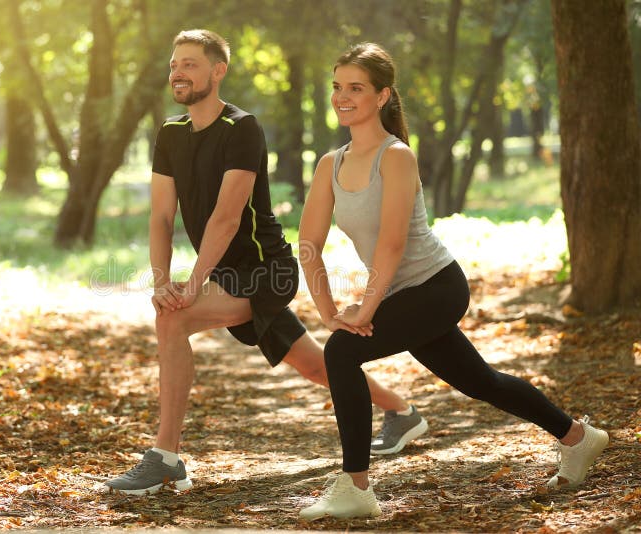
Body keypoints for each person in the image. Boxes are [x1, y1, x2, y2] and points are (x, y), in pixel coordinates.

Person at [103, 30, 429, 496]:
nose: (178, 72)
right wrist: (161, 280)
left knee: (174, 319)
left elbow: (227, 216)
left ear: (218, 71)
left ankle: (165, 458)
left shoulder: (243, 128)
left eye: (191, 64)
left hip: (264, 270)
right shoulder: (171, 133)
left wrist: (190, 286)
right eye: (175, 64)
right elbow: (160, 214)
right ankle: (402, 411)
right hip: (222, 271)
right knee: (315, 366)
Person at [297, 42, 610, 520]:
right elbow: (308, 244)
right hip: (400, 293)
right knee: (480, 381)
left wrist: (362, 309)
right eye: (337, 86)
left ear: (382, 96)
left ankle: (355, 486)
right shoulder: (330, 165)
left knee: (342, 351)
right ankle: (578, 438)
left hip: (437, 287)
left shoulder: (395, 156)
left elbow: (393, 245)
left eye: (355, 88)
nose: (343, 96)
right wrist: (327, 310)